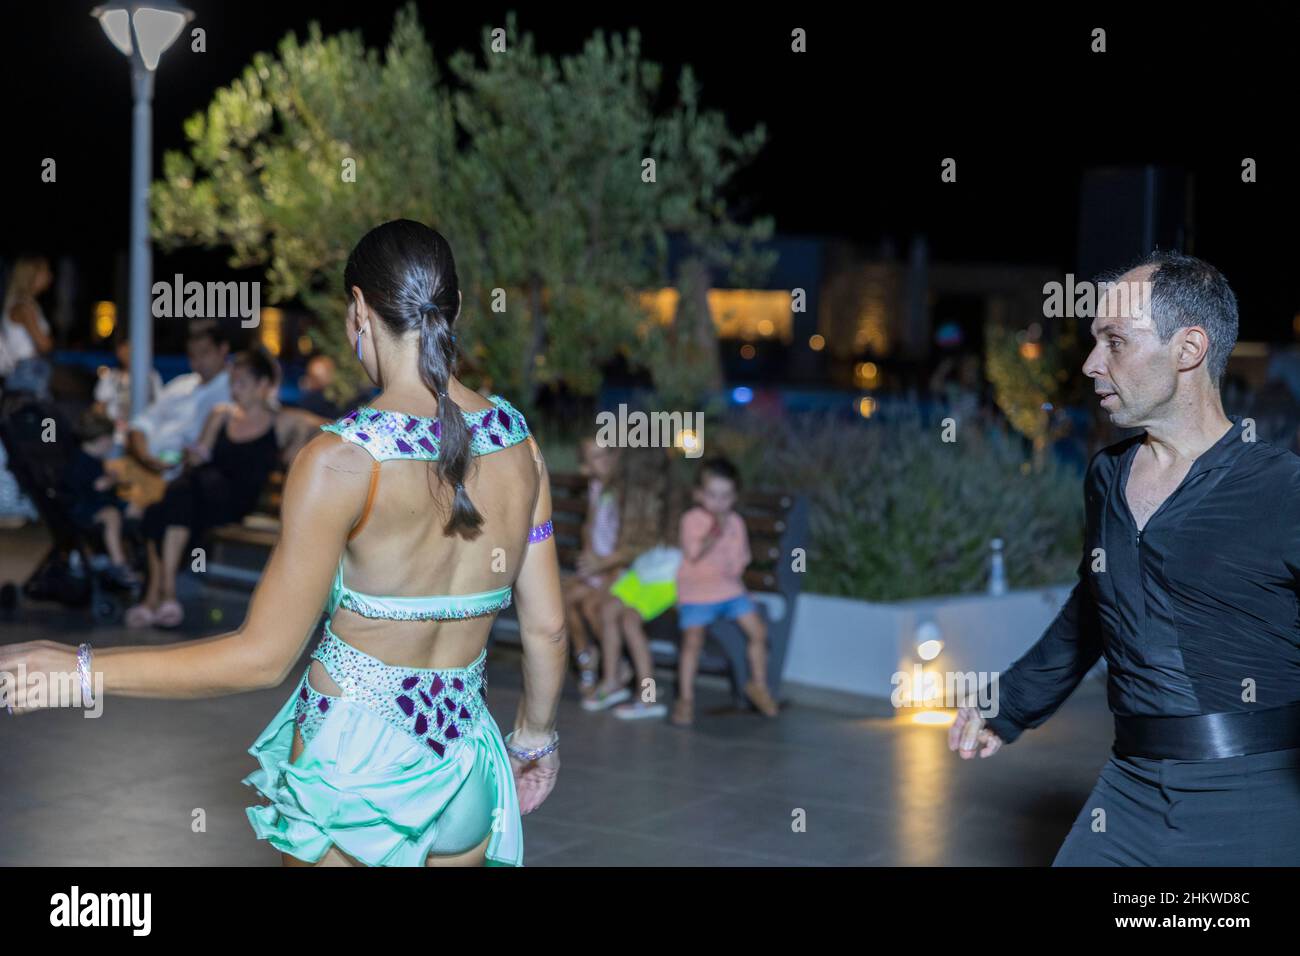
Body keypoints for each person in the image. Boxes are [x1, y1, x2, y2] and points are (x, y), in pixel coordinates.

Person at [0, 219, 565, 868]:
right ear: (456, 308)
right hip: (465, 765)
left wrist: (80, 671)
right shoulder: (520, 445)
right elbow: (546, 630)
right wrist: (534, 740)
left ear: (358, 310)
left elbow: (261, 659)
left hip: (351, 769)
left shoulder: (343, 459)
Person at [949, 251, 1300, 865]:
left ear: (1188, 348)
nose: (1091, 364)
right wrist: (1006, 704)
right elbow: (1094, 609)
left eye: (1115, 341)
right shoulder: (1106, 477)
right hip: (1129, 791)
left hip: (1255, 798)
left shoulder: (1281, 488)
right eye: (1094, 341)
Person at [127, 347, 282, 629]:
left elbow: (321, 428)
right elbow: (199, 457)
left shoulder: (280, 421)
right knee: (163, 508)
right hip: (199, 496)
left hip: (233, 501)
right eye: (232, 382)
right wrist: (187, 454)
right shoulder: (222, 414)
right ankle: (165, 594)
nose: (234, 390)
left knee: (173, 500)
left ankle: (154, 596)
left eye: (242, 383)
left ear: (262, 385)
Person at [671, 457, 777, 726]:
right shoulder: (691, 520)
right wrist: (712, 535)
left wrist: (730, 552)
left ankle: (758, 685)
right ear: (698, 494)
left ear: (734, 497)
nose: (719, 502)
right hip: (697, 592)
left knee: (758, 632)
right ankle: (685, 698)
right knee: (692, 642)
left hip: (729, 590)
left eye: (726, 496)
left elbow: (740, 561)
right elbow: (693, 554)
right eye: (712, 495)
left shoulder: (737, 523)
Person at [580, 447, 681, 719]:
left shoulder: (664, 504)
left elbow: (638, 545)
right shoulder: (634, 500)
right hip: (642, 576)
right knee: (606, 608)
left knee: (629, 620)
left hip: (664, 580)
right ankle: (612, 681)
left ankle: (647, 697)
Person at [123, 321, 232, 487]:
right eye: (192, 356)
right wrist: (146, 458)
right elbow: (141, 423)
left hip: (184, 480)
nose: (198, 361)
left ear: (223, 350)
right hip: (143, 468)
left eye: (204, 353)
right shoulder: (181, 384)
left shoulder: (233, 392)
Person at [561, 437, 626, 692]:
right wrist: (588, 556)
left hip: (619, 569)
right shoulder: (596, 487)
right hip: (599, 567)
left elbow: (628, 543)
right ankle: (585, 656)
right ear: (585, 468)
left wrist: (605, 569)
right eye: (598, 457)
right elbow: (590, 526)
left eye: (609, 452)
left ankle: (616, 666)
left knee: (591, 606)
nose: (606, 460)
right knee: (563, 598)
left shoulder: (622, 492)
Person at [60, 410, 137, 587]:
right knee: (111, 515)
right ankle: (118, 563)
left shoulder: (90, 458)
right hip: (84, 506)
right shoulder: (82, 461)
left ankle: (133, 554)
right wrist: (113, 478)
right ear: (103, 440)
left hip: (93, 502)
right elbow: (97, 485)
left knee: (131, 508)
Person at [94, 335, 164, 434]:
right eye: (124, 348)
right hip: (114, 433)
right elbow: (99, 406)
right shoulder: (110, 376)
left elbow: (160, 406)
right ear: (118, 352)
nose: (128, 352)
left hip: (145, 431)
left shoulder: (152, 376)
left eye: (132, 349)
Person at [0, 256, 54, 379]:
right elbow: (45, 345)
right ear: (32, 275)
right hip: (25, 370)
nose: (50, 276)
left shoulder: (29, 304)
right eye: (45, 272)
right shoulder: (23, 307)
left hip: (31, 366)